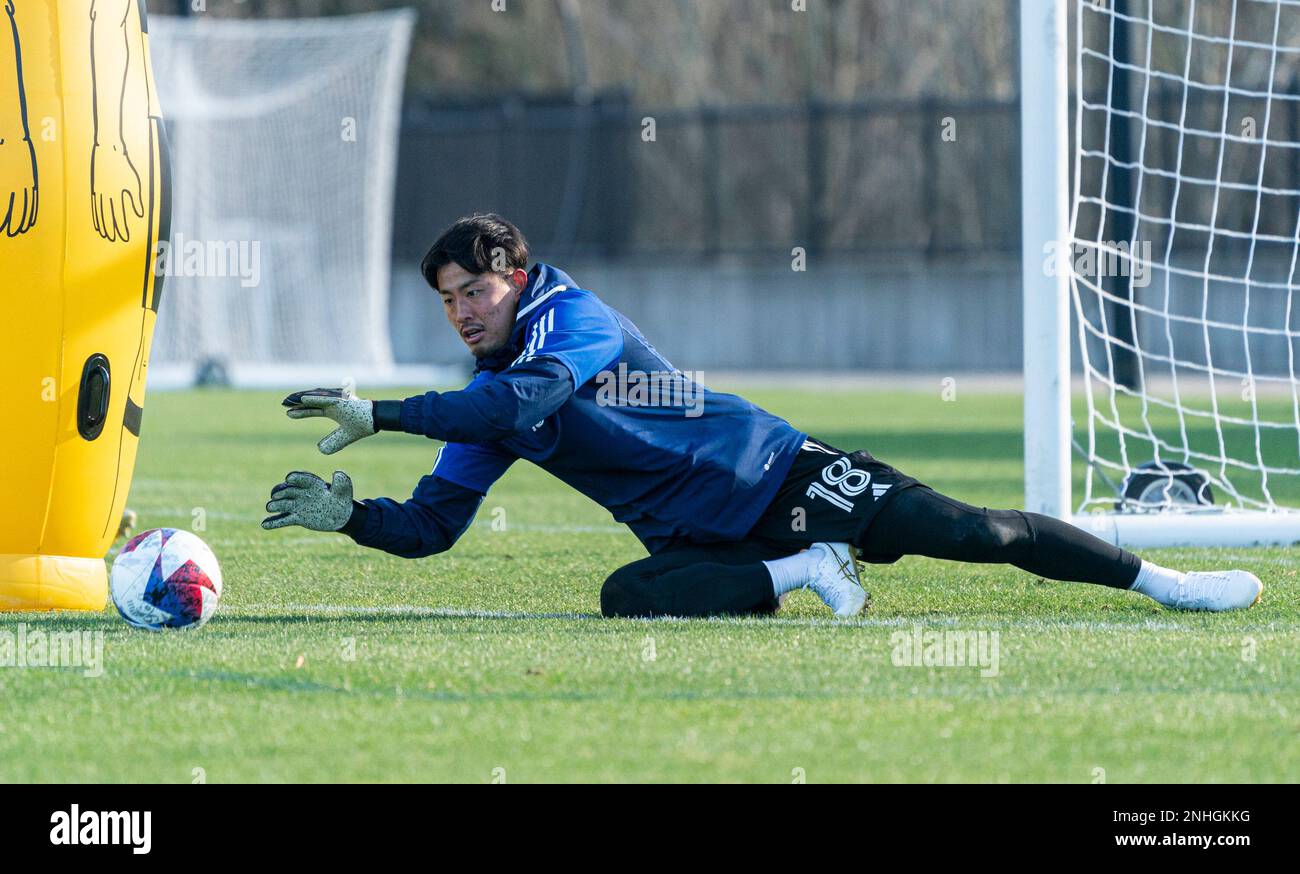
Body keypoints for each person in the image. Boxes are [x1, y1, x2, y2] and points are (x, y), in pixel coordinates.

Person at [260, 213, 1263, 617]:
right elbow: (434, 526)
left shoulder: (573, 317)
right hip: (705, 534)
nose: (460, 311)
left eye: (472, 291)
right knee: (627, 596)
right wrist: (351, 516)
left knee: (975, 531)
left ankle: (1168, 582)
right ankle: (801, 573)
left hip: (775, 468)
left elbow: (529, 397)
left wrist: (383, 412)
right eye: (444, 300)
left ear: (515, 278)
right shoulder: (483, 393)